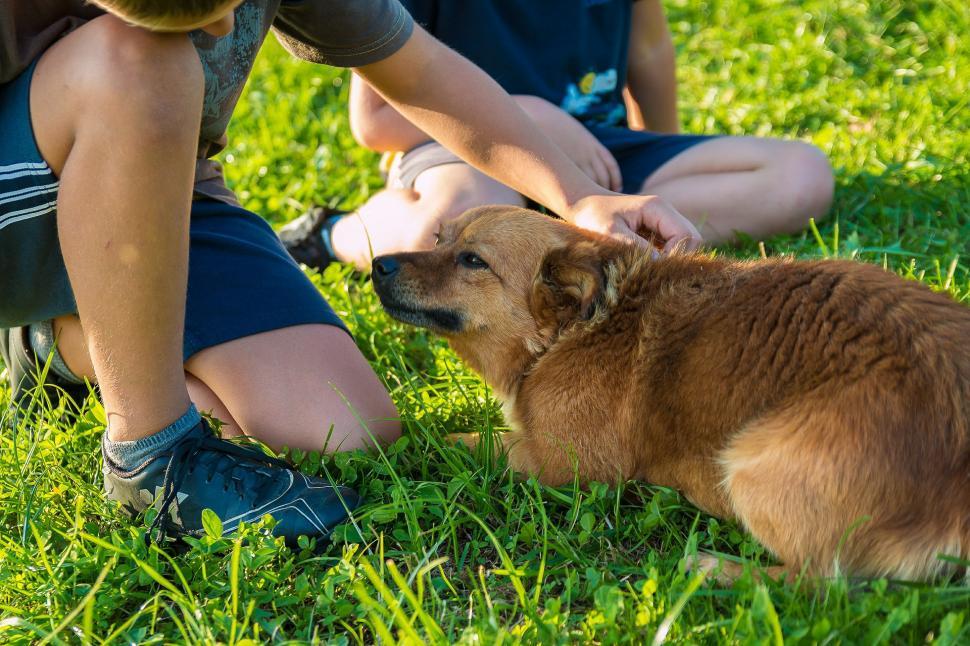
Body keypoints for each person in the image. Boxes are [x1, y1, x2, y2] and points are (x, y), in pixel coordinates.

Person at [0, 0, 699, 544]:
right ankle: (152, 453)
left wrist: (576, 194)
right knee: (145, 63)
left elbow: (416, 69)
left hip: (165, 203)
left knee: (346, 430)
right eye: (194, 10)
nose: (221, 27)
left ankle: (60, 345)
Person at [280, 0, 834, 271]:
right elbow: (374, 121)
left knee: (800, 176)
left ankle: (566, 231)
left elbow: (647, 50)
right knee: (441, 241)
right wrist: (531, 114)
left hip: (595, 151)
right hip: (462, 152)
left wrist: (655, 177)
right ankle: (333, 233)